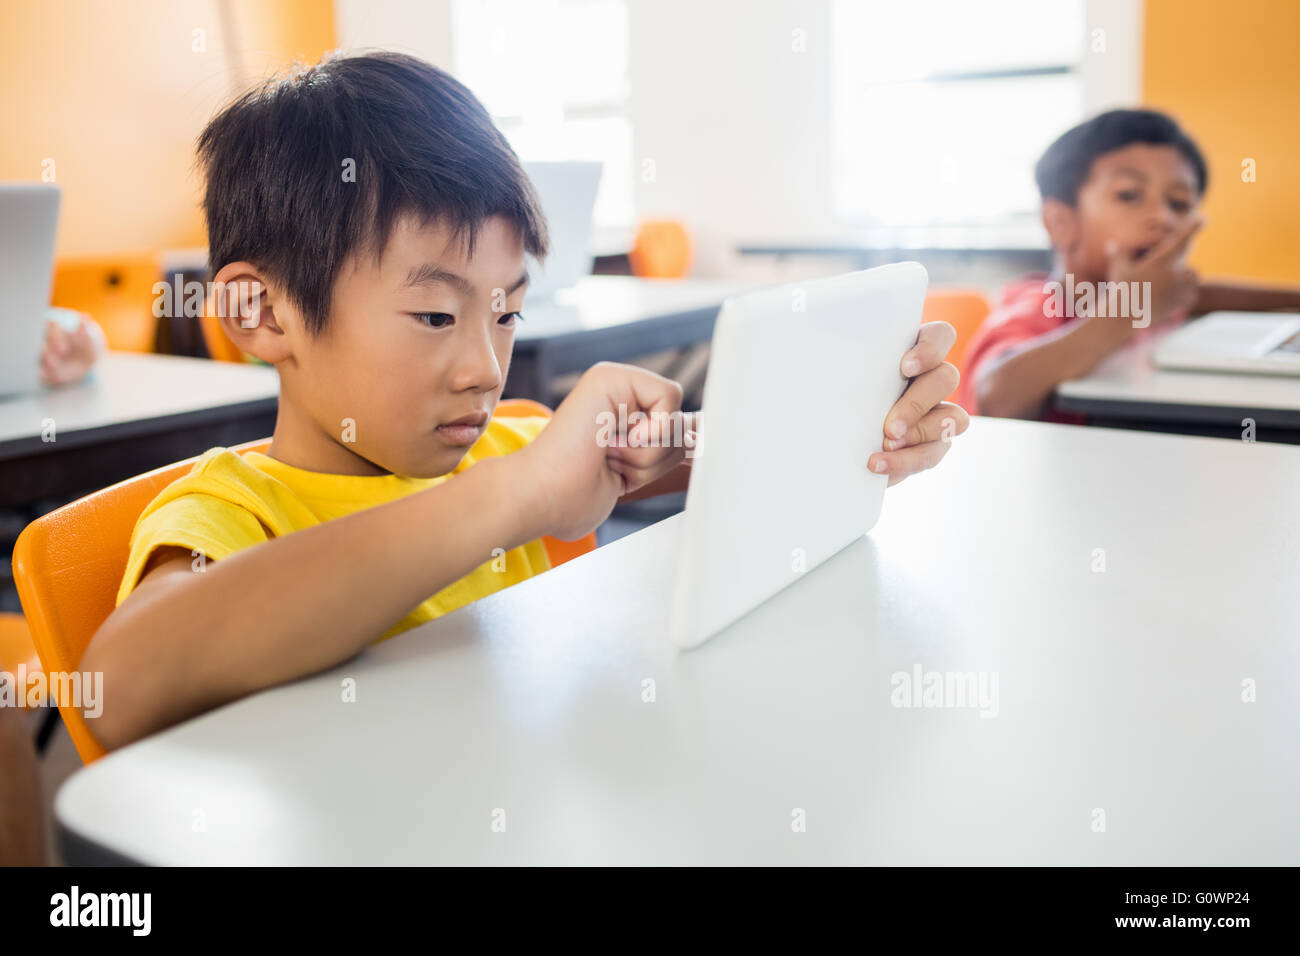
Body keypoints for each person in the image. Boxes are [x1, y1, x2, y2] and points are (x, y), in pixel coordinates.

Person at [83, 52, 969, 753]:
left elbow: (717, 449)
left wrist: (866, 413)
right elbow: (117, 691)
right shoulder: (231, 510)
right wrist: (515, 495)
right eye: (435, 314)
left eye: (507, 312)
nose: (483, 366)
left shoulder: (506, 444)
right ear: (261, 311)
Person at [960, 109, 1300, 420]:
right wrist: (1129, 310)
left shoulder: (1155, 303)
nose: (1163, 218)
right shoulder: (1039, 307)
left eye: (1179, 204)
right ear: (1061, 223)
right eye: (1129, 195)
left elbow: (1198, 294)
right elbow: (995, 398)